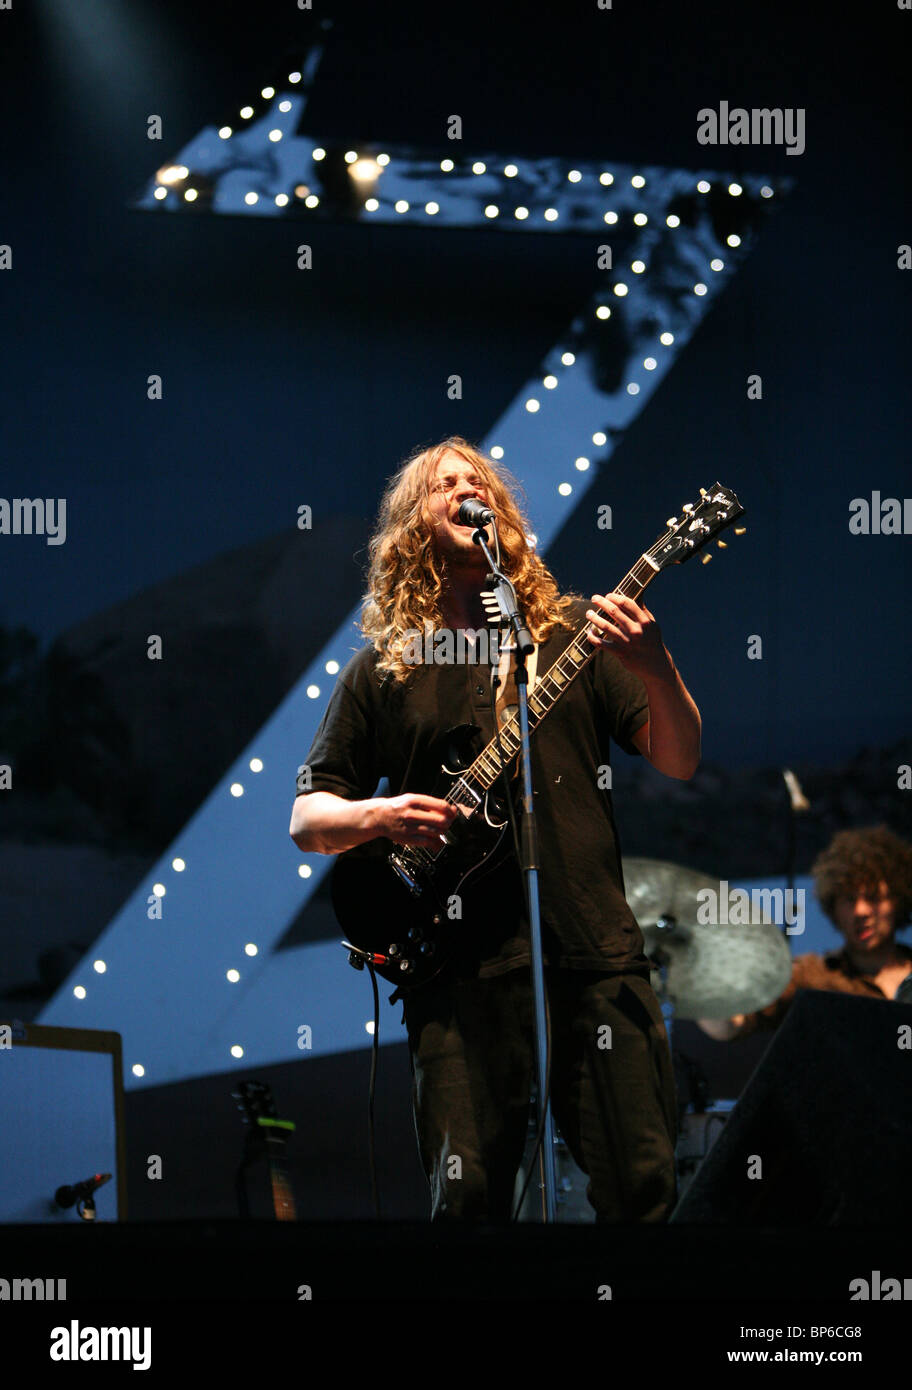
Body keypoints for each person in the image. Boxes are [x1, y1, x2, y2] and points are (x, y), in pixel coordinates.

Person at [289, 435, 702, 1222]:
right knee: (468, 1203)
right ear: (414, 524)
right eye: (444, 485)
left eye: (477, 482)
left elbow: (679, 759)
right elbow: (310, 819)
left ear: (501, 515)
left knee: (643, 1192)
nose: (464, 490)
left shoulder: (573, 634)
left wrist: (655, 665)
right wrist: (380, 815)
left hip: (594, 958)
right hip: (457, 975)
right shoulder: (389, 665)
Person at [697, 825, 912, 1042]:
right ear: (833, 906)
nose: (860, 911)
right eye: (848, 899)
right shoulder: (812, 975)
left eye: (873, 897)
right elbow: (730, 1026)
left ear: (898, 901)